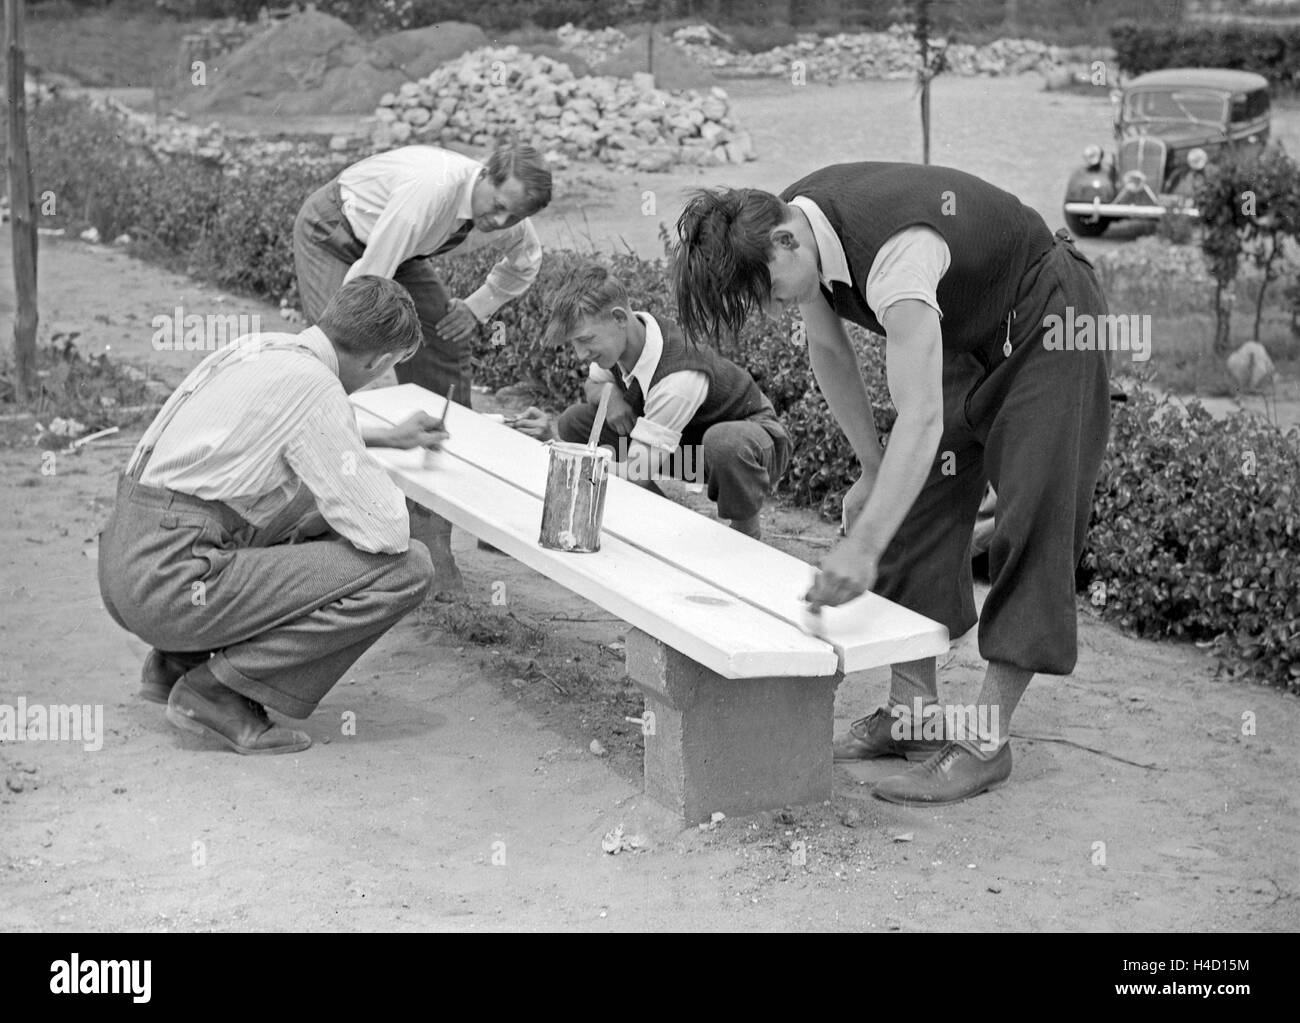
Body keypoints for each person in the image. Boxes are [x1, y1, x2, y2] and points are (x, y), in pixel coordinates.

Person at [671, 163, 1111, 804]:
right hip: (974, 328)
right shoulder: (792, 220)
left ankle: (986, 743)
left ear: (786, 243)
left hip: (1051, 320)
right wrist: (874, 470)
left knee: (1036, 515)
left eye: (768, 291)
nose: (772, 308)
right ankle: (915, 717)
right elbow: (828, 352)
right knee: (915, 494)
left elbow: (924, 418)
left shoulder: (897, 258)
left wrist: (862, 546)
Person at [98, 276, 447, 756]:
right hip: (170, 583)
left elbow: (273, 431)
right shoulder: (318, 389)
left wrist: (383, 440)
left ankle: (179, 660)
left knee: (305, 495)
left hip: (127, 562)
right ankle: (218, 691)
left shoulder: (259, 347)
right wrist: (359, 501)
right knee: (408, 568)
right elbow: (385, 533)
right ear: (380, 361)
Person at [294, 140, 553, 597]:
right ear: (485, 175)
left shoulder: (510, 219)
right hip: (334, 234)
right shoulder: (429, 192)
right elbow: (369, 279)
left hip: (402, 251)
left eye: (511, 216)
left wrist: (475, 308)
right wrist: (363, 354)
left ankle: (432, 539)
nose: (498, 222)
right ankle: (322, 522)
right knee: (340, 356)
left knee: (445, 352)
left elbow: (526, 262)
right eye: (495, 207)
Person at [512, 262, 790, 539]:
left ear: (620, 318)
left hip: (749, 449)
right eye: (574, 343)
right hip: (683, 452)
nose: (580, 354)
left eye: (586, 340)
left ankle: (746, 534)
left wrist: (555, 444)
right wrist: (611, 398)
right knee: (576, 421)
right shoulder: (625, 338)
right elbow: (593, 384)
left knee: (725, 443)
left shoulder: (678, 377)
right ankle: (666, 521)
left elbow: (636, 473)